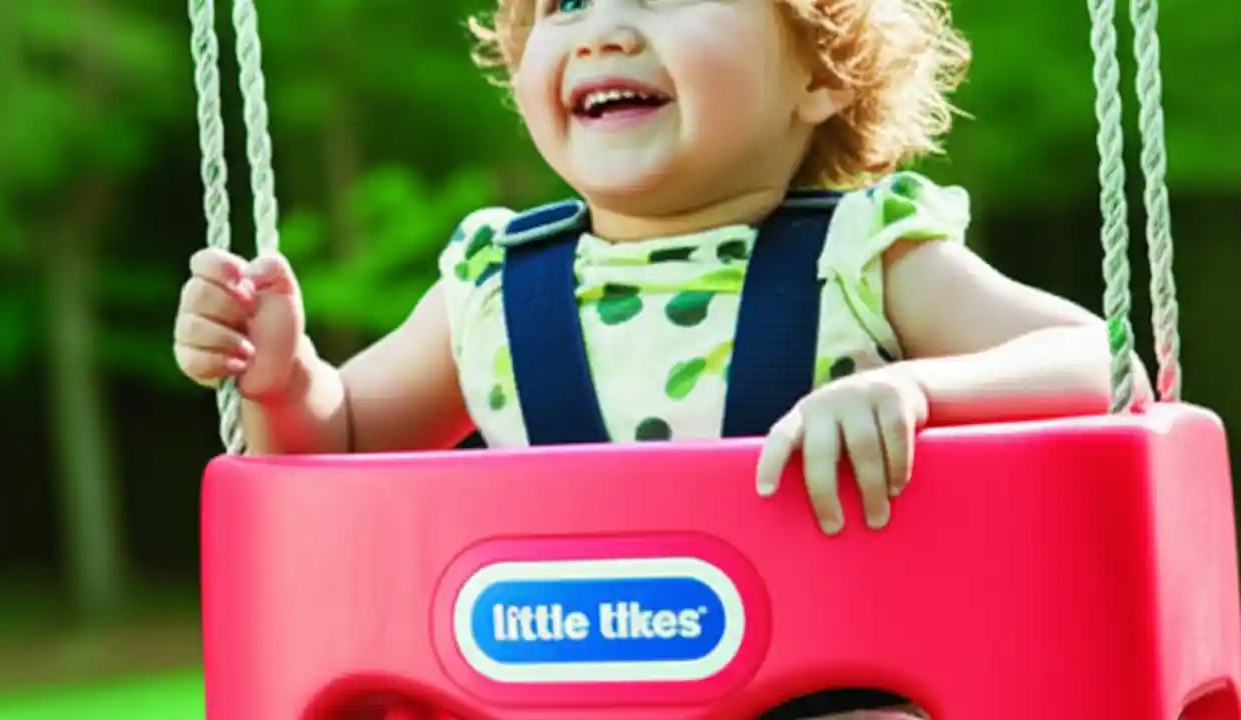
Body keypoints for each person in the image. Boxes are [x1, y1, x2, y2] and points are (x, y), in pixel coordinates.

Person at [173, 0, 1151, 715]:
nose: (599, 28)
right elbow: (336, 443)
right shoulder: (492, 287)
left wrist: (914, 389)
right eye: (560, 5)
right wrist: (283, 373)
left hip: (822, 693)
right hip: (560, 694)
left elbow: (1094, 364)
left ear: (817, 71)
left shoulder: (860, 256)